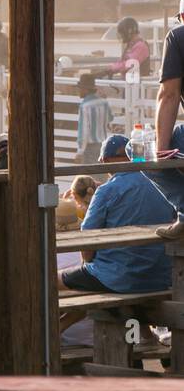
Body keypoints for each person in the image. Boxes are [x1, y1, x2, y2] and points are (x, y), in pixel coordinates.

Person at [60, 134, 175, 291]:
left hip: (117, 278)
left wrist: (89, 263)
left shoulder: (107, 190)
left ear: (105, 161)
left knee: (50, 281)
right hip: (160, 278)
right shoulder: (161, 183)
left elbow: (87, 241)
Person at [75, 73, 113, 164]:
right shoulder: (104, 103)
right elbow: (110, 118)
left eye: (80, 89)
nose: (78, 91)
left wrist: (80, 151)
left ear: (85, 90)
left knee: (90, 175)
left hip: (90, 147)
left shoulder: (84, 106)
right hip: (103, 144)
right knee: (101, 174)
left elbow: (84, 131)